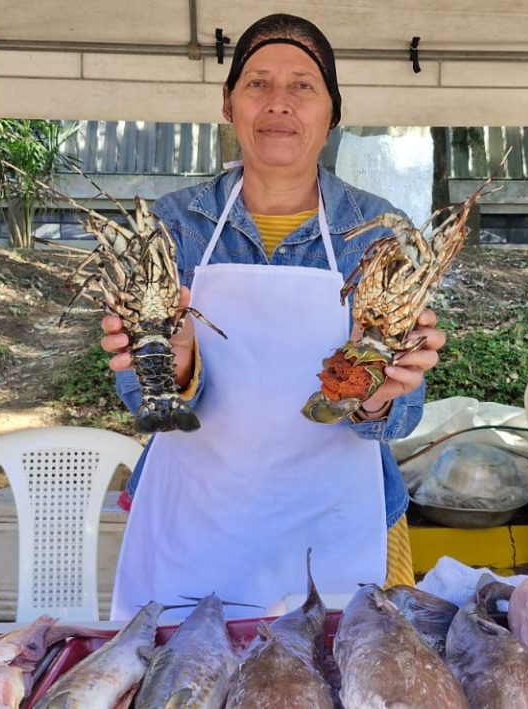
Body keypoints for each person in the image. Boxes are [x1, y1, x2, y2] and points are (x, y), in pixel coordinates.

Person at [102, 13, 446, 620]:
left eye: (302, 86)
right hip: (193, 516)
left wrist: (376, 397)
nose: (278, 103)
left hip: (344, 517)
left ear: (332, 111)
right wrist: (172, 370)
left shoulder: (380, 231)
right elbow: (139, 396)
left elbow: (400, 414)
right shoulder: (170, 225)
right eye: (257, 83)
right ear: (228, 103)